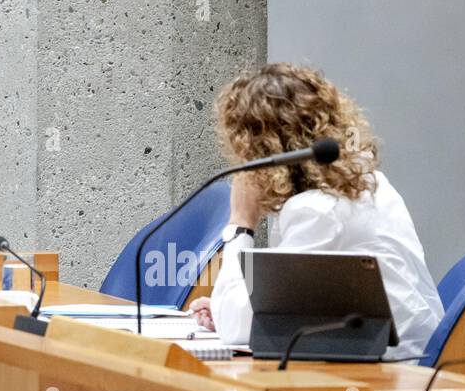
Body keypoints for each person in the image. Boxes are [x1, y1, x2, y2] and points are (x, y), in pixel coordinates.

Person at [189, 63, 443, 360]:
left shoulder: (318, 212)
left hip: (392, 378)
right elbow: (276, 310)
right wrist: (234, 309)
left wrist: (241, 225)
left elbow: (236, 327)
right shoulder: (370, 183)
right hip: (403, 361)